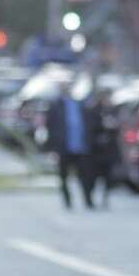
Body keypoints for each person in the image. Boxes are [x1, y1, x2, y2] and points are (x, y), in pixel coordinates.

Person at [47, 81, 101, 210]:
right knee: (64, 176)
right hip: (64, 147)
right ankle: (68, 201)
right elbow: (51, 128)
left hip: (81, 146)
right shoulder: (56, 106)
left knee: (86, 175)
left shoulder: (82, 104)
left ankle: (88, 199)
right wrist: (53, 148)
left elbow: (92, 123)